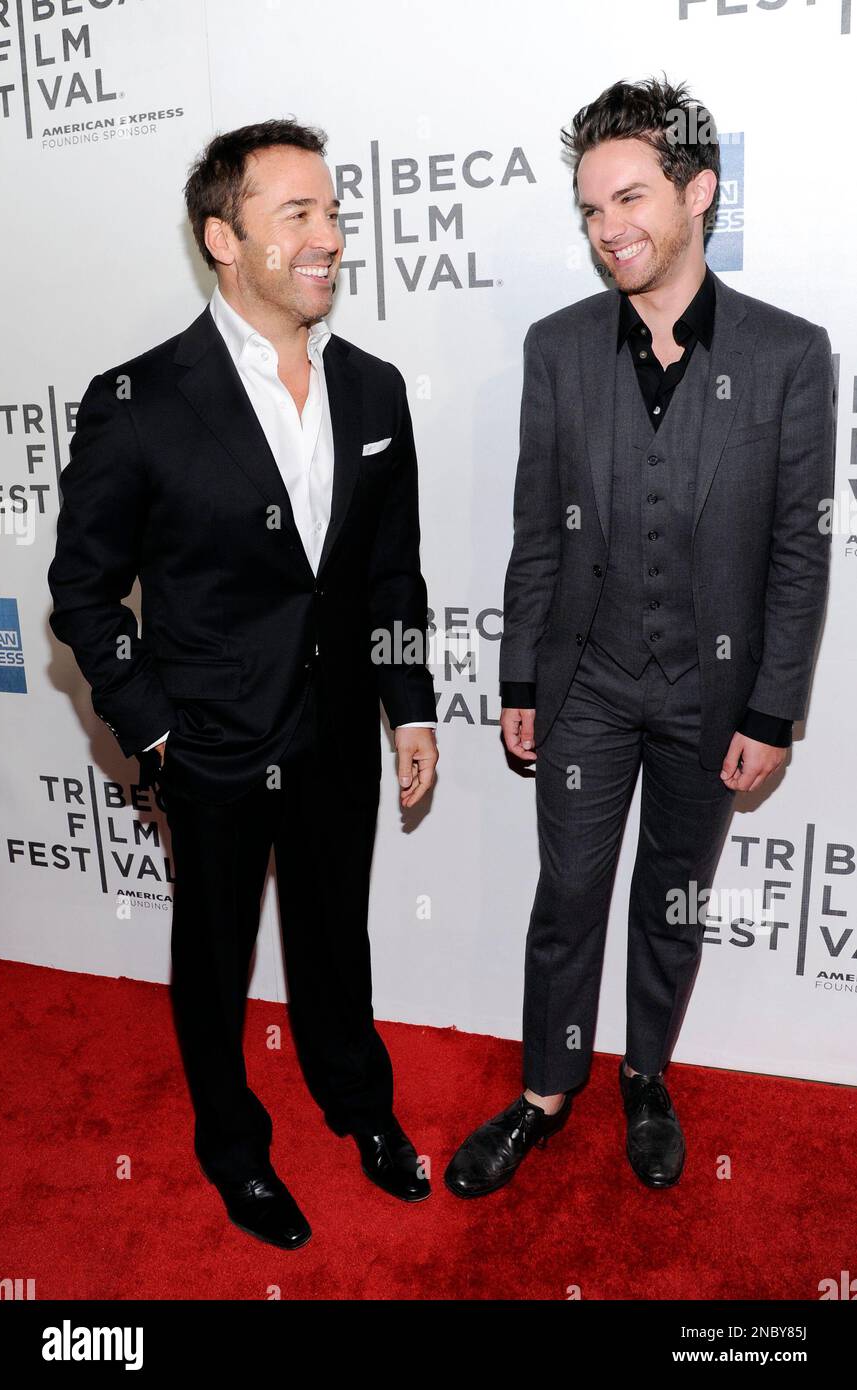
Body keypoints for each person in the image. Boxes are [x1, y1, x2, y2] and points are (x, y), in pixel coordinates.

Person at [48, 119, 439, 1250]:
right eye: (298, 215)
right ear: (225, 238)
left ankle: (358, 1105)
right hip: (210, 742)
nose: (329, 235)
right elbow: (82, 595)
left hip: (334, 734)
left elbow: (390, 571)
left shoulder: (373, 389)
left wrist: (406, 704)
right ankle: (233, 1146)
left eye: (332, 211)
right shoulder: (139, 401)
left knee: (336, 938)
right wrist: (153, 731)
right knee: (214, 964)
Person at [445, 78, 834, 1198]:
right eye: (588, 209)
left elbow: (798, 552)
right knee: (567, 894)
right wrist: (518, 675)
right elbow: (535, 530)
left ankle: (648, 1076)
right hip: (587, 687)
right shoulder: (557, 348)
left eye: (629, 198)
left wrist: (771, 710)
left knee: (673, 891)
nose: (609, 228)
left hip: (711, 699)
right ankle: (544, 1091)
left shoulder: (788, 354)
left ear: (698, 192)